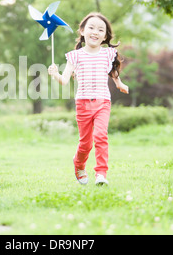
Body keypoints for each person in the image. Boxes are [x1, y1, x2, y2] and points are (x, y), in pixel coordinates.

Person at [48, 13, 128, 186]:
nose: (95, 32)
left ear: (105, 36)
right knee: (85, 144)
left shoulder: (108, 54)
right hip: (83, 104)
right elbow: (64, 80)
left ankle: (101, 173)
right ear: (83, 31)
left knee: (101, 136)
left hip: (102, 102)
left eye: (101, 30)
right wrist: (55, 74)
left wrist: (120, 84)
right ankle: (79, 165)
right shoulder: (75, 56)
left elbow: (113, 72)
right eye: (91, 28)